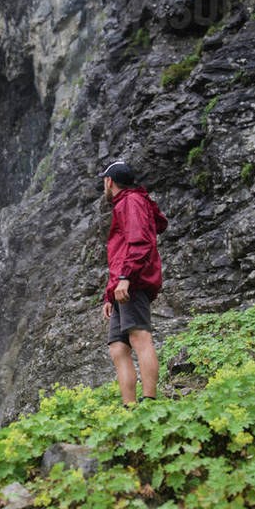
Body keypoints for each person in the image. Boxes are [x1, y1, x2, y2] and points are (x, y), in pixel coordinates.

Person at [99, 159, 168, 405]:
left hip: (133, 282)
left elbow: (139, 243)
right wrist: (110, 294)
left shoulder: (131, 202)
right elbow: (120, 254)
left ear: (110, 181)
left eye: (104, 182)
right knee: (118, 348)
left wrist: (126, 278)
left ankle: (150, 403)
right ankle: (130, 408)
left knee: (139, 337)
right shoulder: (126, 204)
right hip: (122, 284)